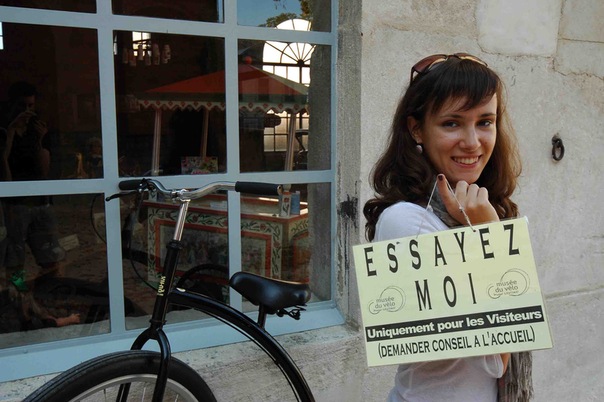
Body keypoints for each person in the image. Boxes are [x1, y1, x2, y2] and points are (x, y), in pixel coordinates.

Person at [363, 53, 532, 402]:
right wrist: (492, 238)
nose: (472, 142)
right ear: (416, 129)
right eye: (452, 123)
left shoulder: (482, 209)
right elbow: (497, 359)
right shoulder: (406, 222)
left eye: (485, 122)